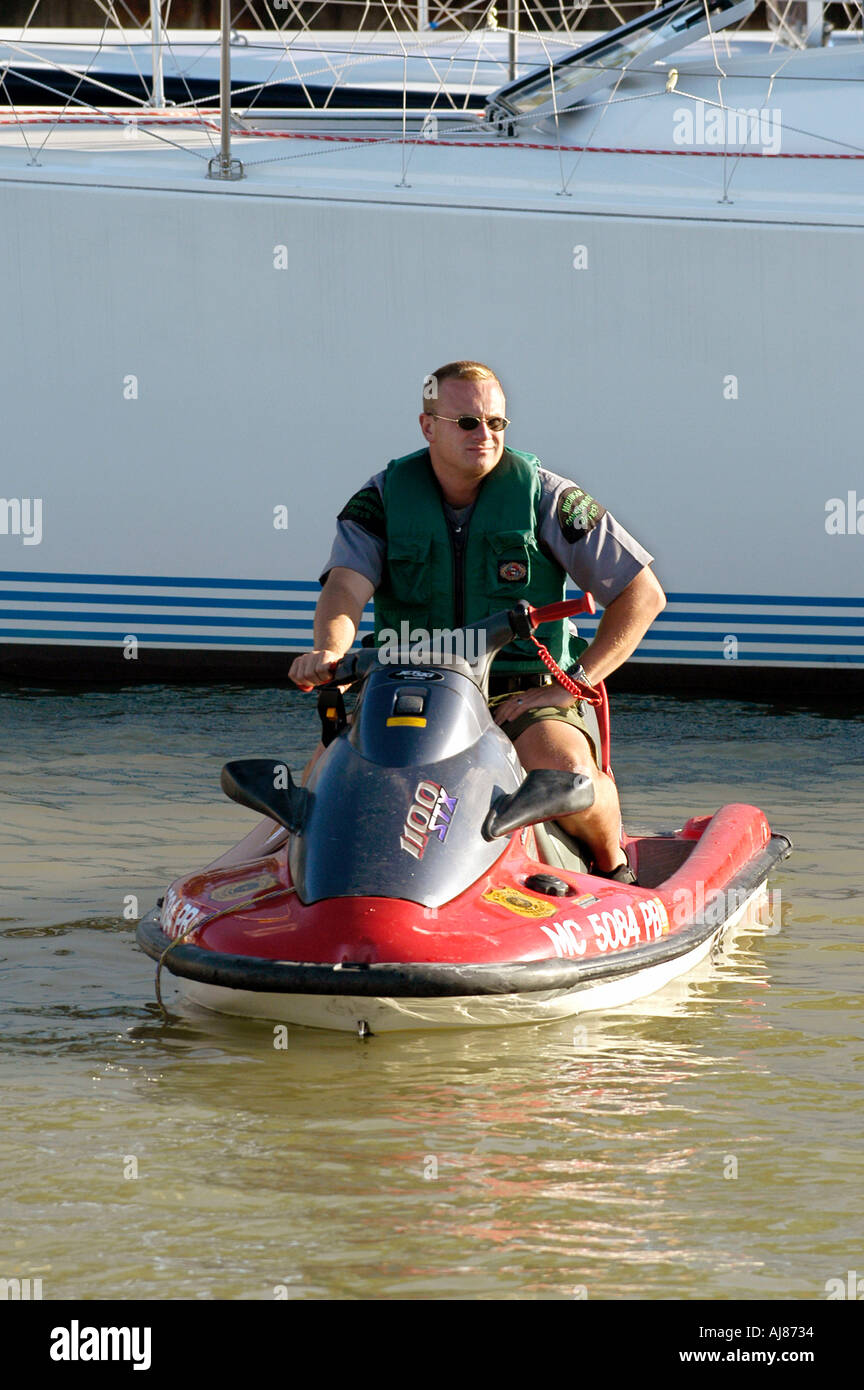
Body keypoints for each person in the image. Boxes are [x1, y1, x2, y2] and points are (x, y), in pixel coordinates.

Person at [289, 360, 665, 883]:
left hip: (522, 694)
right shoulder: (379, 502)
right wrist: (331, 651)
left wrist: (575, 684)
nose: (484, 434)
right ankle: (314, 886)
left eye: (496, 423)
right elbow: (345, 588)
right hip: (412, 690)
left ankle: (615, 871)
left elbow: (642, 595)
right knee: (323, 784)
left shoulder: (550, 499)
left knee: (568, 775)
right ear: (428, 426)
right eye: (467, 422)